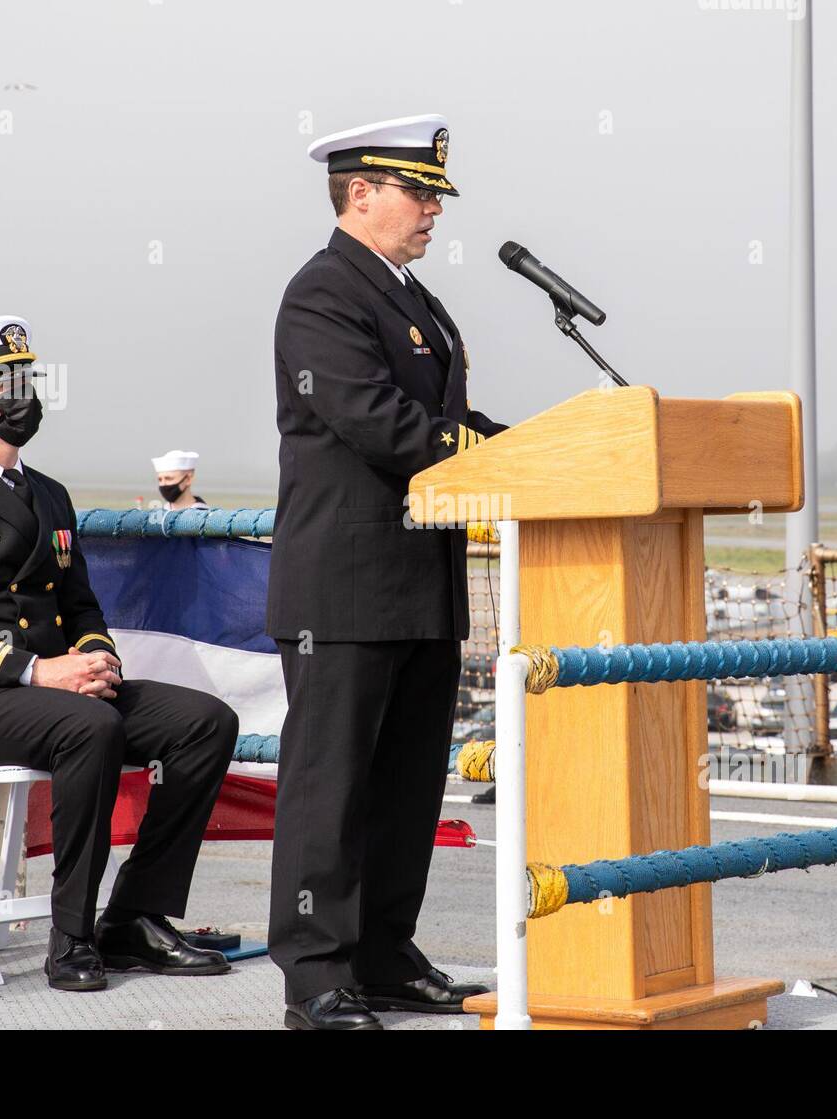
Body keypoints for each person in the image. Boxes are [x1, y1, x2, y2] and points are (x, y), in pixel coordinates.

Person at [0, 315, 240, 991]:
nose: (23, 395)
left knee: (206, 722)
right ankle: (72, 935)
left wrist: (97, 661)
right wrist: (40, 670)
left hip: (60, 692)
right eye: (3, 383)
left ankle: (134, 915)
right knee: (92, 726)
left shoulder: (51, 494)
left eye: (25, 380)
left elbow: (81, 608)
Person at [267, 114, 505, 1029]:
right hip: (347, 589)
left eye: (436, 193)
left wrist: (526, 448)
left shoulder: (416, 299)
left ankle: (383, 951)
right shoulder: (322, 292)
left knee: (408, 787)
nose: (434, 208)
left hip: (420, 586)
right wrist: (485, 457)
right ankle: (315, 975)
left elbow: (451, 417)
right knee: (330, 789)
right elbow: (373, 419)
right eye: (419, 191)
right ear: (358, 191)